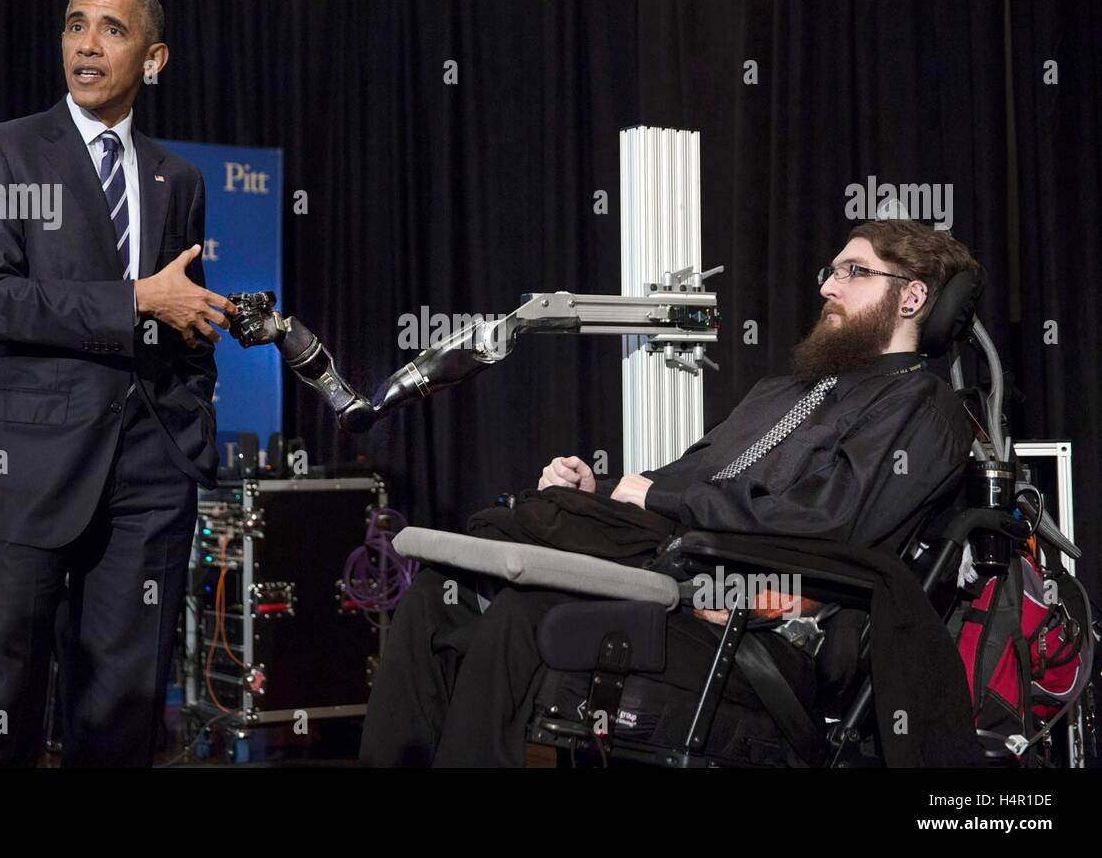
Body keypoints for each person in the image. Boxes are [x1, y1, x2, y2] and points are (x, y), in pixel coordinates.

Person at [359, 220, 981, 767]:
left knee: (526, 617)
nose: (827, 286)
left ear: (914, 296)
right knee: (440, 597)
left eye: (853, 271)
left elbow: (828, 524)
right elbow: (686, 482)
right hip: (675, 585)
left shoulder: (923, 410)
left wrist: (657, 501)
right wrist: (602, 490)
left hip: (763, 634)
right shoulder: (780, 392)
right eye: (831, 271)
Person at [0, 0, 236, 766]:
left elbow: (184, 310)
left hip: (150, 472)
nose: (86, 43)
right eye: (76, 24)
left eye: (111, 29)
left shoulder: (182, 178)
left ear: (154, 57)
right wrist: (135, 299)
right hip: (29, 469)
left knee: (123, 708)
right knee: (2, 698)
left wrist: (190, 421)